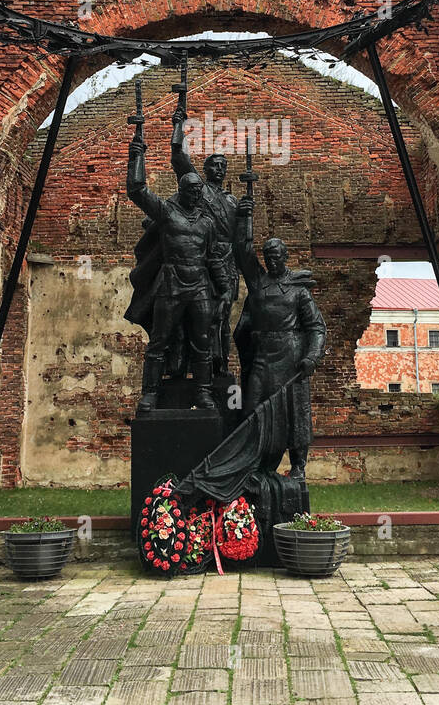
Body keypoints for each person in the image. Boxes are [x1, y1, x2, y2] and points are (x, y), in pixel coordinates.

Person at [125, 132, 228, 412]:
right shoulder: (167, 213)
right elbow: (137, 190)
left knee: (203, 341)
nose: (196, 196)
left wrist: (225, 289)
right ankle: (150, 393)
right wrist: (137, 155)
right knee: (159, 341)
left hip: (199, 286)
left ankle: (203, 393)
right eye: (192, 192)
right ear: (181, 191)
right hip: (171, 284)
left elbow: (213, 258)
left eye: (198, 192)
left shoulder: (206, 223)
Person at [232, 195, 326, 476]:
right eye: (268, 256)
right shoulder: (258, 282)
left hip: (291, 354)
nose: (272, 261)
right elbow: (242, 250)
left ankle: (298, 465)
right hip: (262, 356)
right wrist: (244, 217)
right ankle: (253, 462)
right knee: (252, 409)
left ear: (285, 257)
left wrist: (311, 355)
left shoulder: (299, 291)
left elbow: (317, 327)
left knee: (294, 411)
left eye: (277, 256)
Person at [170, 106, 239, 371]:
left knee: (223, 317)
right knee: (200, 317)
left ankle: (221, 365)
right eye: (215, 165)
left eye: (224, 165)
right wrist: (179, 125)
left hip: (227, 264)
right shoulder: (199, 190)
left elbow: (241, 239)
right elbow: (179, 158)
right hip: (203, 261)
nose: (220, 169)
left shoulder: (233, 201)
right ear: (206, 169)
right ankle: (193, 367)